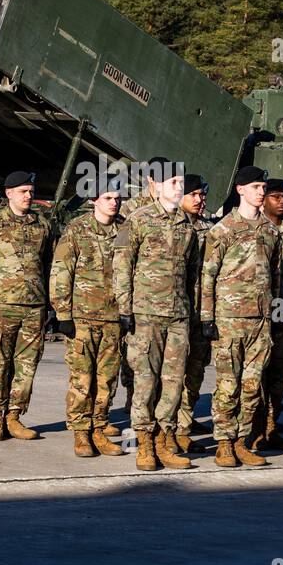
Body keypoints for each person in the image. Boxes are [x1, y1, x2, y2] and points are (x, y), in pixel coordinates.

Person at [113, 164, 198, 470]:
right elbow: (122, 266)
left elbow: (192, 274)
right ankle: (145, 445)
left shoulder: (187, 225)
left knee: (173, 383)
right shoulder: (138, 220)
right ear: (157, 186)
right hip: (145, 314)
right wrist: (124, 308)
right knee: (146, 381)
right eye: (172, 181)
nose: (178, 187)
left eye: (180, 182)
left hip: (177, 314)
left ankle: (165, 441)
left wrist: (192, 310)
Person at [200, 166, 282, 467]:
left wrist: (273, 313)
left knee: (252, 385)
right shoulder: (222, 230)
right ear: (240, 190)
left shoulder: (271, 231)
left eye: (264, 187)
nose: (262, 192)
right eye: (256, 186)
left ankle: (242, 441)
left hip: (260, 321)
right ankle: (223, 442)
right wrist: (207, 317)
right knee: (227, 385)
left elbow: (275, 276)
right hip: (229, 319)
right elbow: (207, 275)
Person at [0, 170, 54, 441]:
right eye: (23, 192)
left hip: (34, 306)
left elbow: (50, 264)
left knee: (27, 365)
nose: (29, 196)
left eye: (31, 191)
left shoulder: (42, 225)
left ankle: (15, 416)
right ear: (9, 194)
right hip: (1, 305)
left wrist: (52, 301)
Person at [49, 182, 128, 459]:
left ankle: (99, 427)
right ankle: (81, 433)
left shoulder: (125, 231)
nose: (114, 203)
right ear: (94, 200)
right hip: (82, 317)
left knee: (107, 379)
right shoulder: (77, 230)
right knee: (82, 379)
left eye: (117, 198)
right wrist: (62, 314)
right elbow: (61, 271)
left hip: (114, 318)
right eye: (108, 198)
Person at [116, 155, 174, 428]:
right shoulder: (131, 210)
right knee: (136, 361)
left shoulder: (176, 210)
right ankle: (133, 407)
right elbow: (123, 258)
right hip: (139, 300)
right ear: (152, 180)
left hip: (168, 303)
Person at [256, 177, 283, 451]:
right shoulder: (255, 229)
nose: (281, 202)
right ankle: (254, 427)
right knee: (255, 374)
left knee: (280, 373)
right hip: (258, 314)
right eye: (275, 197)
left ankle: (272, 425)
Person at [176, 173, 212, 450]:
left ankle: (183, 428)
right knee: (171, 373)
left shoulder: (208, 230)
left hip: (202, 312)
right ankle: (167, 430)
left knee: (195, 371)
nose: (200, 200)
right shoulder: (170, 227)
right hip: (174, 311)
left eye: (202, 195)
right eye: (194, 195)